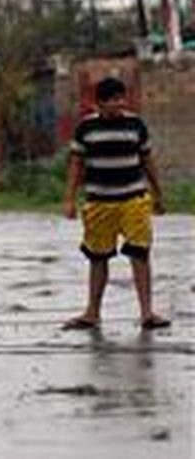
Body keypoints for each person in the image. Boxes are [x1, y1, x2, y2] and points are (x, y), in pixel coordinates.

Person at [62, 77, 170, 331]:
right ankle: (92, 312)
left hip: (134, 199)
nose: (117, 104)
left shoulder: (135, 125)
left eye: (121, 99)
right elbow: (76, 164)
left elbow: (147, 160)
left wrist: (158, 193)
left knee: (140, 253)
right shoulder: (86, 128)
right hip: (99, 202)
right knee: (98, 257)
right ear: (98, 103)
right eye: (111, 100)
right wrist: (69, 198)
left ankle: (147, 313)